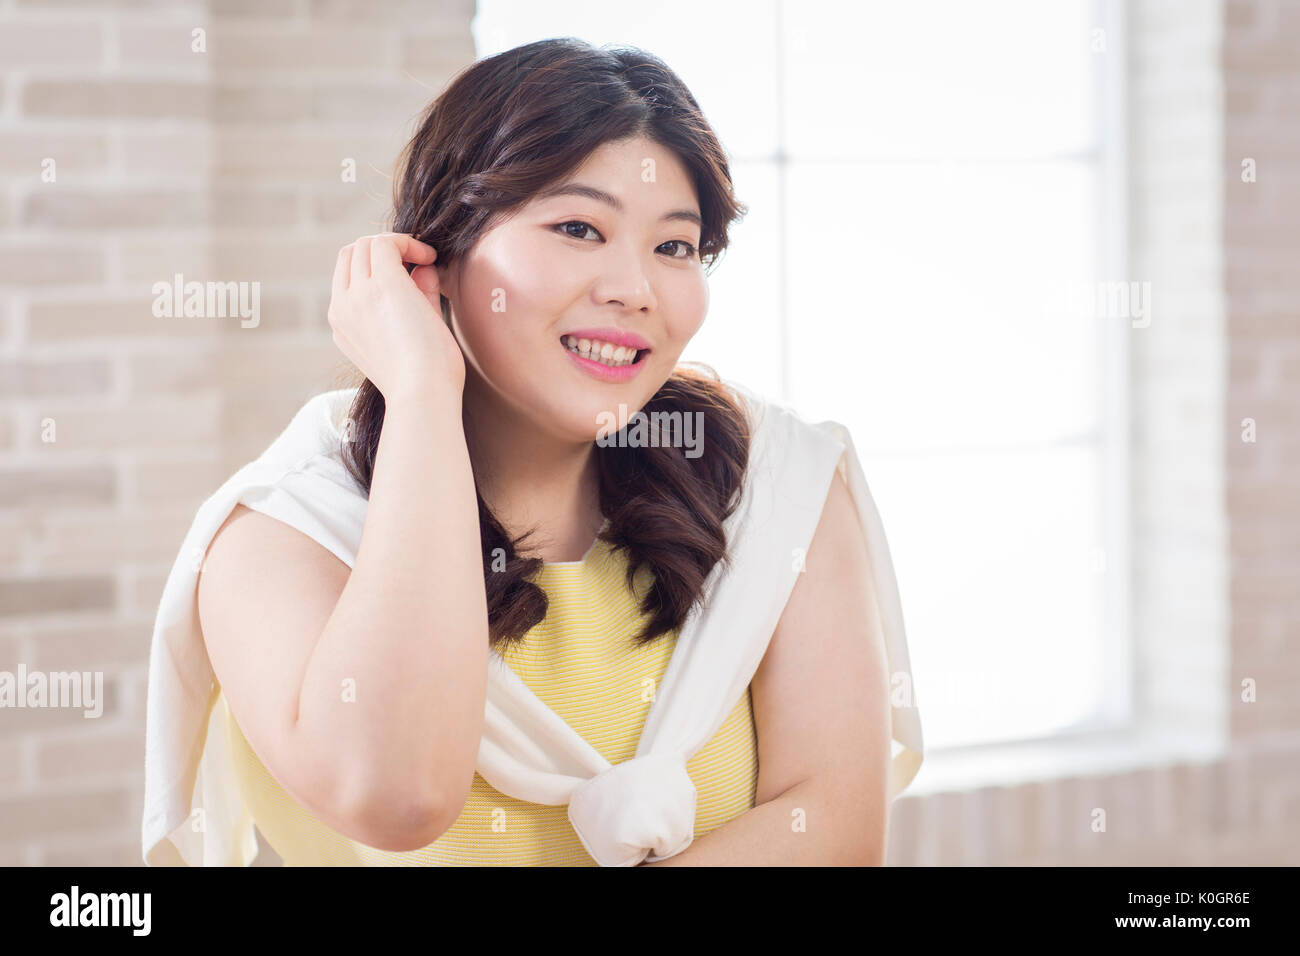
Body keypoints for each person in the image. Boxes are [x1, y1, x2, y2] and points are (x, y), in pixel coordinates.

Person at [143, 37, 922, 867]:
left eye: (675, 247)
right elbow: (399, 796)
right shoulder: (279, 537)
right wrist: (419, 392)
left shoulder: (774, 487)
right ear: (438, 251)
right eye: (579, 228)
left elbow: (833, 829)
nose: (635, 289)